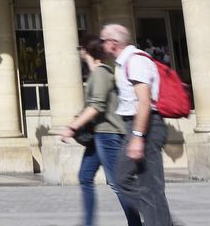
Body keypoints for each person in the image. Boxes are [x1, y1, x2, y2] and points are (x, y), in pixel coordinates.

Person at [60, 36, 141, 226]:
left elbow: (96, 106)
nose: (80, 51)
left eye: (82, 48)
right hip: (100, 134)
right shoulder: (98, 74)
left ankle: (140, 221)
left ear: (86, 51)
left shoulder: (100, 74)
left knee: (117, 183)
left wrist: (72, 127)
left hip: (109, 134)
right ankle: (88, 223)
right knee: (85, 176)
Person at [101, 23, 172, 225]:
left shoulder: (136, 61)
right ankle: (161, 220)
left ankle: (161, 220)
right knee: (130, 181)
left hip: (146, 125)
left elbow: (144, 101)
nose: (101, 44)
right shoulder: (125, 63)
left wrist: (138, 137)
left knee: (147, 186)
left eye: (103, 40)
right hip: (136, 125)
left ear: (113, 43)